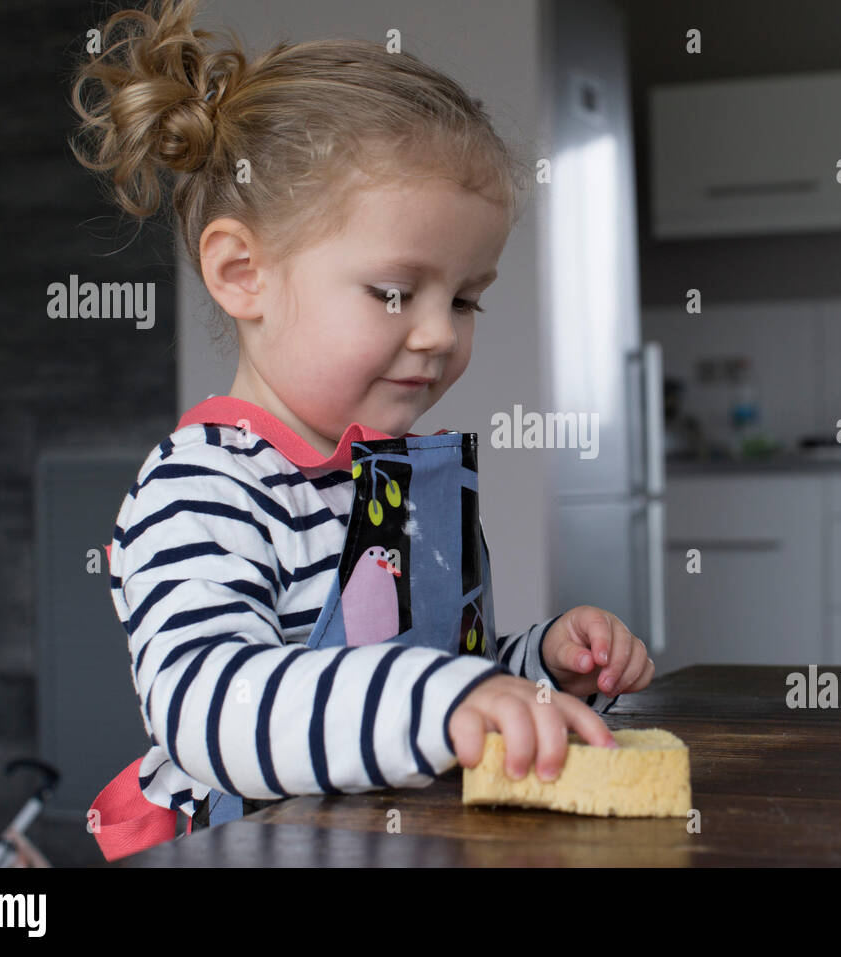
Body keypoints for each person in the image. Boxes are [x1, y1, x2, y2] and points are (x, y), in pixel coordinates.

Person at [69, 0, 654, 861]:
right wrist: (440, 702)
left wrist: (533, 670)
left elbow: (436, 664)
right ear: (243, 274)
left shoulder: (404, 482)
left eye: (464, 298)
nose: (440, 334)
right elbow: (211, 710)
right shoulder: (201, 488)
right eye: (394, 291)